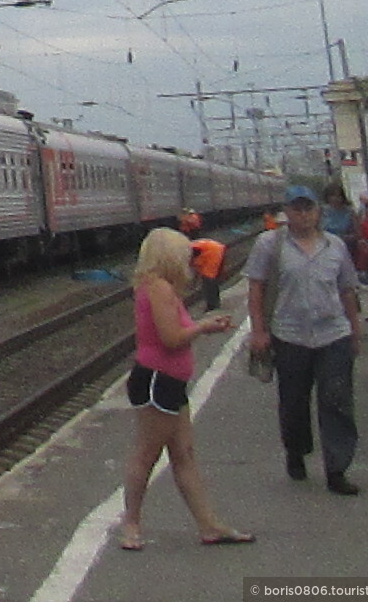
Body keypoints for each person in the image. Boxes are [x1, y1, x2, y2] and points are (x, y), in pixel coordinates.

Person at [119, 226, 250, 551]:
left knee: (183, 455)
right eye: (182, 254)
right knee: (147, 455)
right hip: (157, 380)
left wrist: (201, 326)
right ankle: (131, 525)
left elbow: (174, 332)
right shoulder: (159, 288)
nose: (188, 260)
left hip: (169, 381)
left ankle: (208, 525)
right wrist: (203, 326)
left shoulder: (157, 287)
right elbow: (171, 338)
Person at [247, 184, 366, 495]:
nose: (303, 214)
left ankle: (337, 469)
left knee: (337, 401)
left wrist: (355, 330)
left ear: (318, 211)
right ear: (286, 212)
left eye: (308, 208)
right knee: (294, 403)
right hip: (290, 335)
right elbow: (257, 289)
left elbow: (347, 290)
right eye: (296, 208)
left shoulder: (335, 246)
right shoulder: (269, 245)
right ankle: (296, 451)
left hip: (333, 334)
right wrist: (259, 331)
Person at [190, 233, 227, 311]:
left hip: (213, 253)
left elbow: (195, 263)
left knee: (208, 280)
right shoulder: (192, 247)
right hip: (215, 250)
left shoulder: (190, 250)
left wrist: (194, 280)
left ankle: (212, 305)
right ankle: (214, 302)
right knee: (211, 281)